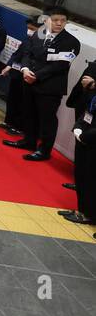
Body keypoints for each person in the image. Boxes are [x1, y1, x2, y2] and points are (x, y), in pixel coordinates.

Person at [4, 7, 80, 161]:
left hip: (50, 87)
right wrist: (25, 69)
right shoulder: (38, 34)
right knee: (28, 113)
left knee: (47, 119)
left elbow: (60, 65)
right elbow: (27, 53)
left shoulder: (71, 42)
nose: (59, 23)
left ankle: (44, 150)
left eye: (63, 20)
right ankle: (28, 141)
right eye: (55, 20)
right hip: (29, 81)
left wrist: (36, 76)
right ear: (46, 20)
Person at [61, 60, 96, 225]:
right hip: (85, 132)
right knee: (81, 174)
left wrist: (85, 136)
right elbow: (88, 109)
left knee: (90, 177)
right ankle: (82, 210)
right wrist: (78, 127)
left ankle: (89, 214)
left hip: (92, 138)